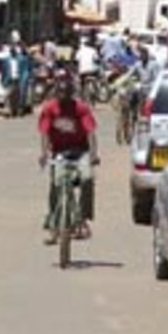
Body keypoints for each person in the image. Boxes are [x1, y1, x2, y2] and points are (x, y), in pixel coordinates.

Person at [38, 74, 99, 241]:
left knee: (87, 179)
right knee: (56, 184)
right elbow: (44, 133)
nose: (63, 97)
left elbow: (90, 132)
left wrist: (93, 154)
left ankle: (83, 218)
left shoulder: (81, 108)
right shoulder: (49, 109)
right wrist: (44, 153)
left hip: (80, 151)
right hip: (59, 152)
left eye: (67, 93)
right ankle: (54, 222)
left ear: (72, 93)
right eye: (60, 93)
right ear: (56, 92)